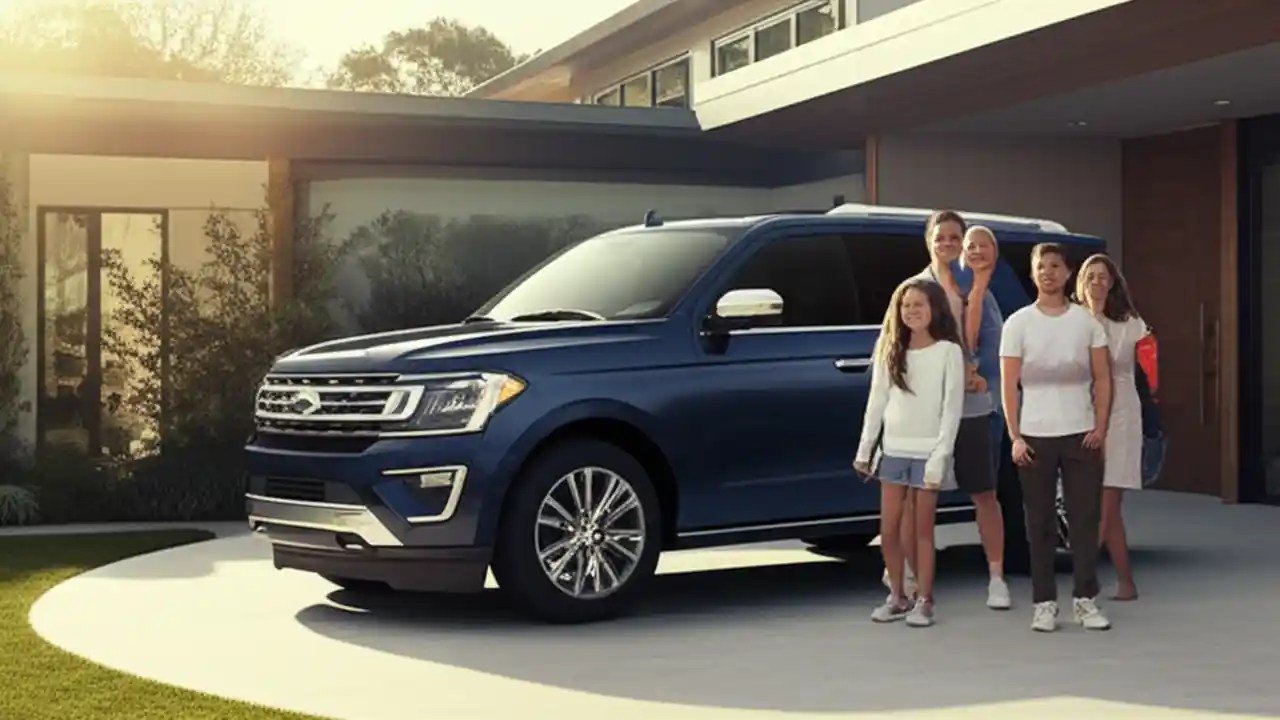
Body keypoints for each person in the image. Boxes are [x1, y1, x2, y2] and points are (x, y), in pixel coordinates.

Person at [887, 210, 1011, 611]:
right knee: (914, 500)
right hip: (922, 413)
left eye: (955, 237)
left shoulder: (976, 289)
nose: (948, 244)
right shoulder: (914, 290)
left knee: (984, 492)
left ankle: (996, 577)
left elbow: (995, 345)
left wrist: (981, 377)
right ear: (929, 241)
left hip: (971, 409)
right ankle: (904, 577)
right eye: (940, 237)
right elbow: (896, 345)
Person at [999, 242, 1113, 632]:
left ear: (1067, 273)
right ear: (1033, 274)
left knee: (1084, 518)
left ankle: (1086, 599)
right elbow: (1009, 384)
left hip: (1081, 433)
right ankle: (1044, 602)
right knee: (1040, 522)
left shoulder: (1086, 323)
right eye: (1040, 267)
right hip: (1035, 435)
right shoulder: (1018, 323)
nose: (1048, 272)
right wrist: (1014, 435)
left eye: (1055, 266)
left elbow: (1102, 377)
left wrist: (1100, 426)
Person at [856, 278, 966, 628]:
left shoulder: (949, 352)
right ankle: (898, 595)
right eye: (906, 305)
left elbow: (952, 409)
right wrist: (865, 449)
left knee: (922, 530)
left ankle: (925, 599)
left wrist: (941, 455)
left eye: (919, 304)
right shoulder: (891, 348)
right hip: (894, 452)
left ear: (934, 309)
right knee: (888, 529)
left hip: (929, 453)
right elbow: (877, 402)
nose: (912, 311)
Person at [1077, 253, 1148, 601]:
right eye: (1090, 276)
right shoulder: (1072, 320)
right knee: (1104, 505)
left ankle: (1084, 585)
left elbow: (1121, 364)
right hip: (1082, 412)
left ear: (1113, 282)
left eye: (1103, 277)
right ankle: (1127, 582)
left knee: (1105, 501)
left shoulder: (1128, 323)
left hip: (1120, 413)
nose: (1097, 282)